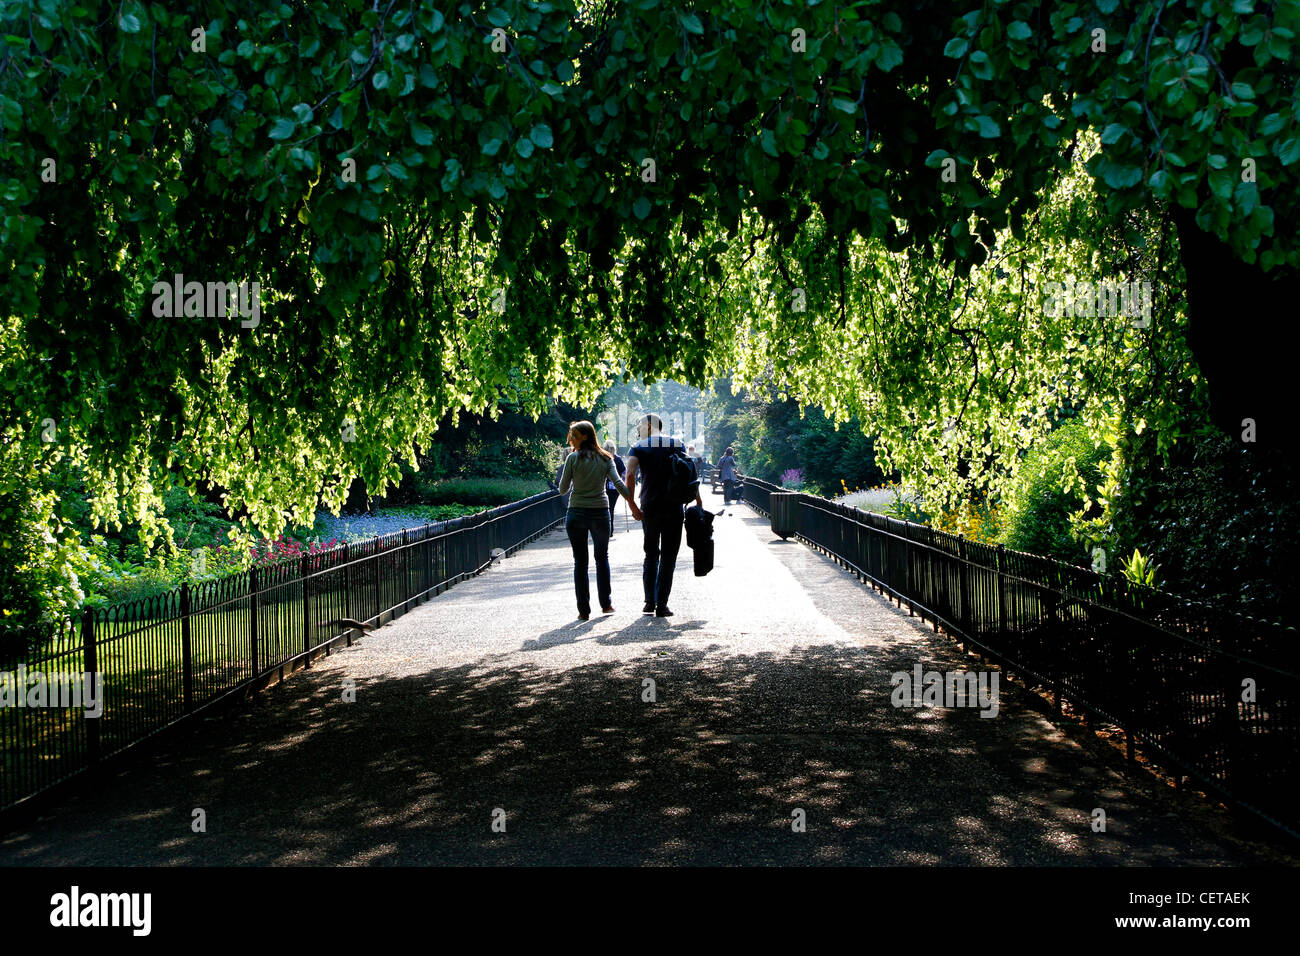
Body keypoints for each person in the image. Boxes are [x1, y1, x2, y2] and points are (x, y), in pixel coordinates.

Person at [559, 421, 642, 619]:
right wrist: (633, 501)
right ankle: (606, 605)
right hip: (599, 512)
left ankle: (583, 611)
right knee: (601, 558)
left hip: (576, 512)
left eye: (574, 436)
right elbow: (619, 484)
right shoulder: (606, 458)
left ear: (585, 436)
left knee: (580, 562)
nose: (571, 440)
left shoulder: (572, 459)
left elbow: (563, 489)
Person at [626, 414, 702, 617]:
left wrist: (632, 504)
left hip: (649, 506)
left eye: (639, 425)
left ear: (649, 426)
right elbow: (688, 473)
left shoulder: (638, 447)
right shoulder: (677, 444)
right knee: (669, 556)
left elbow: (630, 474)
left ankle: (649, 601)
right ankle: (662, 604)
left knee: (651, 554)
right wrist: (698, 500)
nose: (637, 429)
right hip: (673, 505)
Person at [603, 439, 627, 533]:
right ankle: (610, 529)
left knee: (606, 508)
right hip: (615, 488)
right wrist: (623, 482)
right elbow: (624, 472)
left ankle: (607, 529)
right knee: (611, 508)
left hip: (604, 487)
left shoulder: (603, 458)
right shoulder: (618, 458)